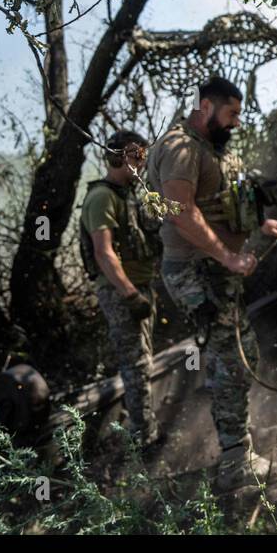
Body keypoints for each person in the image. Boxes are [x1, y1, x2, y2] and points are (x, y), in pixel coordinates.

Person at [145, 76, 277, 490]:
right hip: (196, 273)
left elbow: (224, 201)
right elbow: (181, 213)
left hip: (218, 272)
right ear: (205, 107)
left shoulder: (210, 150)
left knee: (244, 356)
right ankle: (235, 463)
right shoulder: (180, 149)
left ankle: (237, 448)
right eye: (231, 114)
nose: (237, 123)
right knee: (230, 360)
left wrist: (261, 223)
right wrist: (226, 255)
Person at [78, 129, 161, 449]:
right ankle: (144, 437)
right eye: (137, 156)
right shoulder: (102, 197)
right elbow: (104, 253)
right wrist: (130, 294)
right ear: (120, 156)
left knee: (143, 360)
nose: (141, 162)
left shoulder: (127, 194)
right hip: (120, 291)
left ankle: (139, 425)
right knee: (137, 364)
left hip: (138, 287)